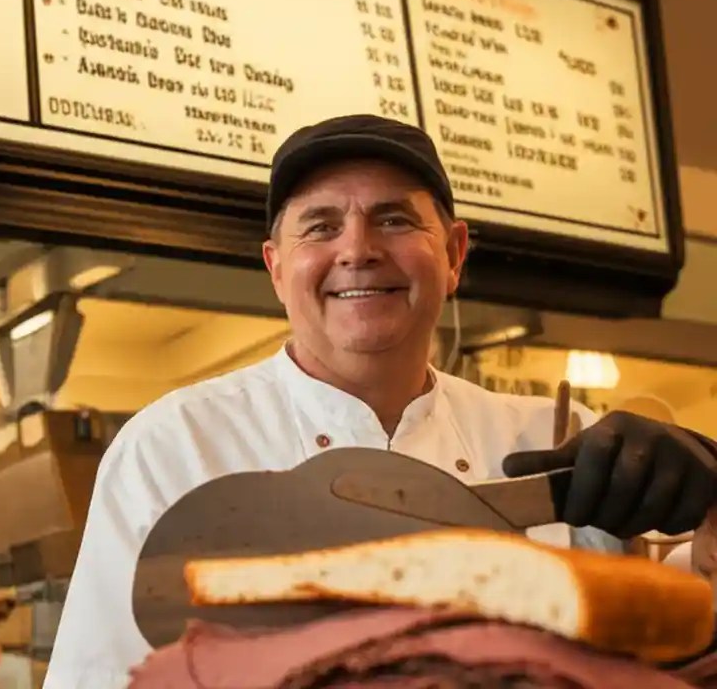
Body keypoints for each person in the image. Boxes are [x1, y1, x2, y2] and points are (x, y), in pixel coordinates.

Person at [42, 114, 717, 689]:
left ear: (453, 255)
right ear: (277, 268)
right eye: (320, 226)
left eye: (394, 219)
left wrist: (713, 503)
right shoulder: (174, 444)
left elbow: (669, 653)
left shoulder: (558, 439)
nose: (358, 250)